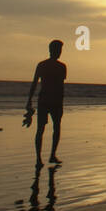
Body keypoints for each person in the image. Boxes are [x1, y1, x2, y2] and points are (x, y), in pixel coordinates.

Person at [24, 39, 67, 169]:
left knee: (52, 128)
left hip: (51, 101)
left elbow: (60, 86)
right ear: (51, 50)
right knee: (44, 129)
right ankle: (41, 157)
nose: (59, 52)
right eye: (57, 50)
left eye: (60, 50)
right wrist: (29, 100)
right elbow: (35, 83)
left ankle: (49, 155)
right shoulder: (49, 65)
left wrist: (30, 100)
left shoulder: (58, 66)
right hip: (48, 100)